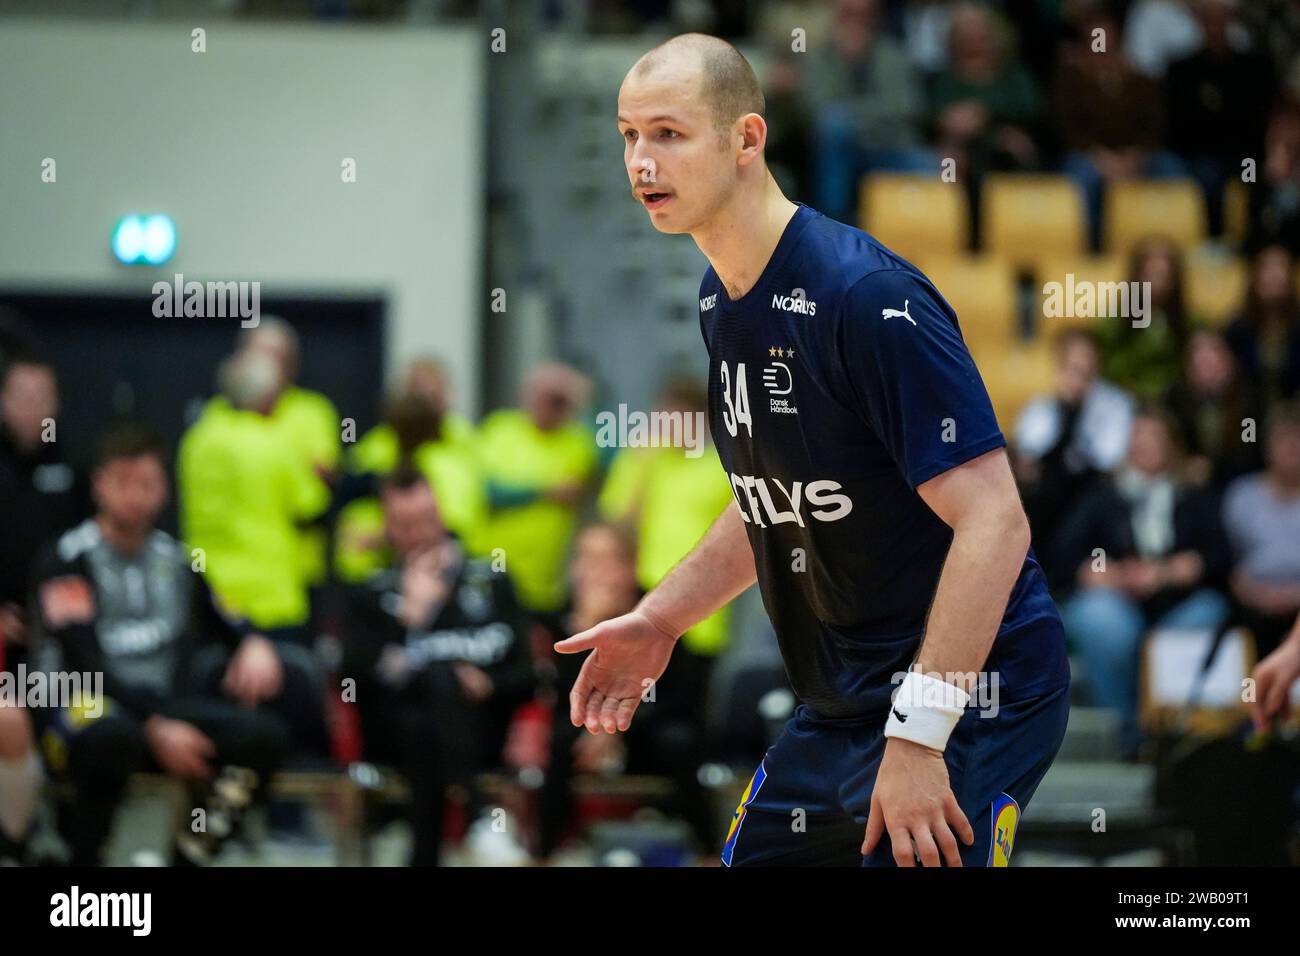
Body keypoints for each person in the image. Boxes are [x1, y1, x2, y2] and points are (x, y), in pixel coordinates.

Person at [557, 34, 1071, 868]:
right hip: (842, 701)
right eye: (628, 136)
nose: (641, 161)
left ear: (747, 140)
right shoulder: (721, 299)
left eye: (669, 133)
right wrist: (663, 617)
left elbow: (995, 523)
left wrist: (920, 735)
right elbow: (771, 490)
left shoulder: (865, 299)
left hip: (973, 698)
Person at [30, 425, 298, 865]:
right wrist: (154, 725)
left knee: (263, 738)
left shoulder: (177, 558)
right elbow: (82, 662)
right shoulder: (66, 558)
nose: (135, 496)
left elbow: (228, 617)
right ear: (99, 485)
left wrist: (253, 642)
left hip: (158, 705)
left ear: (164, 491)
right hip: (82, 704)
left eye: (147, 484)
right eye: (123, 483)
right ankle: (82, 865)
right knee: (112, 735)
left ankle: (191, 851)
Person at [341, 468, 535, 866]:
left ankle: (425, 854)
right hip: (394, 735)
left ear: (442, 514)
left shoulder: (492, 581)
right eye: (406, 524)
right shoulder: (372, 591)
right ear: (388, 528)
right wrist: (411, 618)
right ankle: (479, 819)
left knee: (435, 702)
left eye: (427, 520)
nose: (420, 533)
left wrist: (488, 683)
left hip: (481, 728)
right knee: (431, 691)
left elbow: (530, 676)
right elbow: (356, 681)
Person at [1052, 408, 1231, 757]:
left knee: (1207, 615)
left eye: (1155, 438)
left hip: (1177, 606)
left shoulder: (1193, 495)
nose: (1145, 445)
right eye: (1138, 437)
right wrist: (1102, 573)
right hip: (1115, 602)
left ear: (1172, 446)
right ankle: (1128, 733)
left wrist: (1179, 569)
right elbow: (1063, 554)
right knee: (1104, 623)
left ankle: (1179, 735)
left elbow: (1220, 557)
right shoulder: (1101, 494)